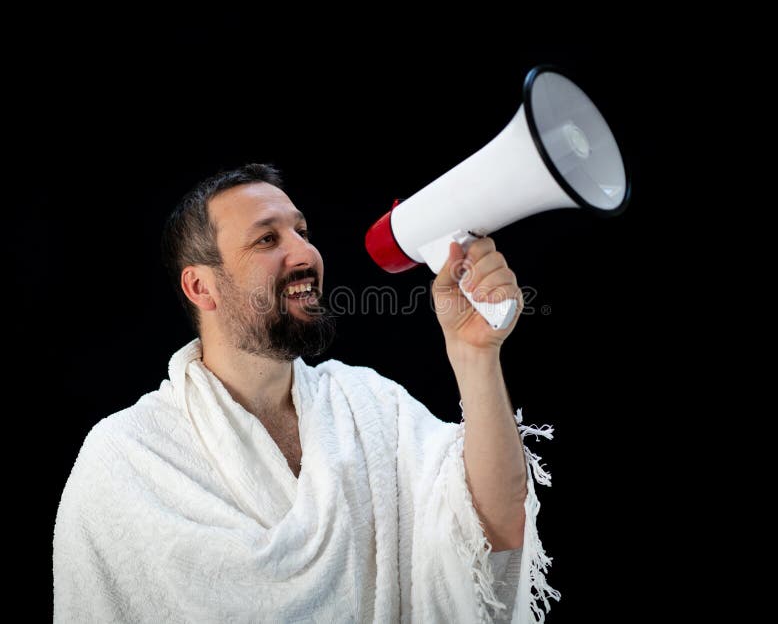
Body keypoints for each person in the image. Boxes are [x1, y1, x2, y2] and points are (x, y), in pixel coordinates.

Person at [53, 163, 559, 622]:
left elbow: (490, 535)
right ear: (201, 288)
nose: (305, 252)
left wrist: (475, 356)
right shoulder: (127, 457)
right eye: (267, 240)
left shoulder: (369, 405)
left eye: (301, 231)